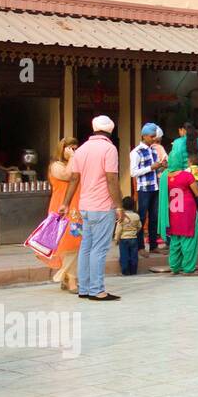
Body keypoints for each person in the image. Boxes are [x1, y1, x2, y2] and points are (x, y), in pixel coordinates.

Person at [58, 116, 124, 301]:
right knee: (99, 249)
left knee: (86, 247)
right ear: (110, 131)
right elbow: (112, 179)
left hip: (84, 206)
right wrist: (119, 206)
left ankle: (84, 288)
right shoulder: (109, 149)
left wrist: (65, 203)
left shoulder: (82, 149)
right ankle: (97, 290)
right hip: (102, 206)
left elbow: (73, 179)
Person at [44, 137, 81, 292]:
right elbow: (68, 176)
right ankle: (71, 280)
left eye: (75, 148)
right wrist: (73, 158)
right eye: (71, 148)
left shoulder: (73, 163)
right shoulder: (56, 166)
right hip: (62, 208)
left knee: (75, 242)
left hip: (75, 208)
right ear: (63, 149)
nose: (74, 151)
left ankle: (66, 277)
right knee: (68, 243)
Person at [162, 141, 198, 276]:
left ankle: (174, 267)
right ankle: (188, 269)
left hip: (172, 212)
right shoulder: (187, 176)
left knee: (175, 241)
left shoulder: (164, 177)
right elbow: (197, 193)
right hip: (187, 212)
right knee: (189, 240)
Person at [128, 123, 164, 256]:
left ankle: (153, 245)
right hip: (144, 188)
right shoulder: (136, 152)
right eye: (151, 136)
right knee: (142, 217)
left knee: (154, 217)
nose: (154, 139)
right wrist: (151, 168)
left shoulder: (154, 150)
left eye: (155, 136)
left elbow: (155, 168)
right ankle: (140, 246)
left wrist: (161, 166)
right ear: (144, 136)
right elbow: (133, 172)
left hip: (155, 187)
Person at [116, 196, 141, 276]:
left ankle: (125, 271)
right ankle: (133, 270)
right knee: (134, 255)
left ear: (123, 206)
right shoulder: (136, 216)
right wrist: (135, 232)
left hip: (123, 239)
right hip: (133, 238)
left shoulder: (122, 216)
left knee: (124, 255)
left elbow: (119, 229)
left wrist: (117, 238)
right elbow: (139, 226)